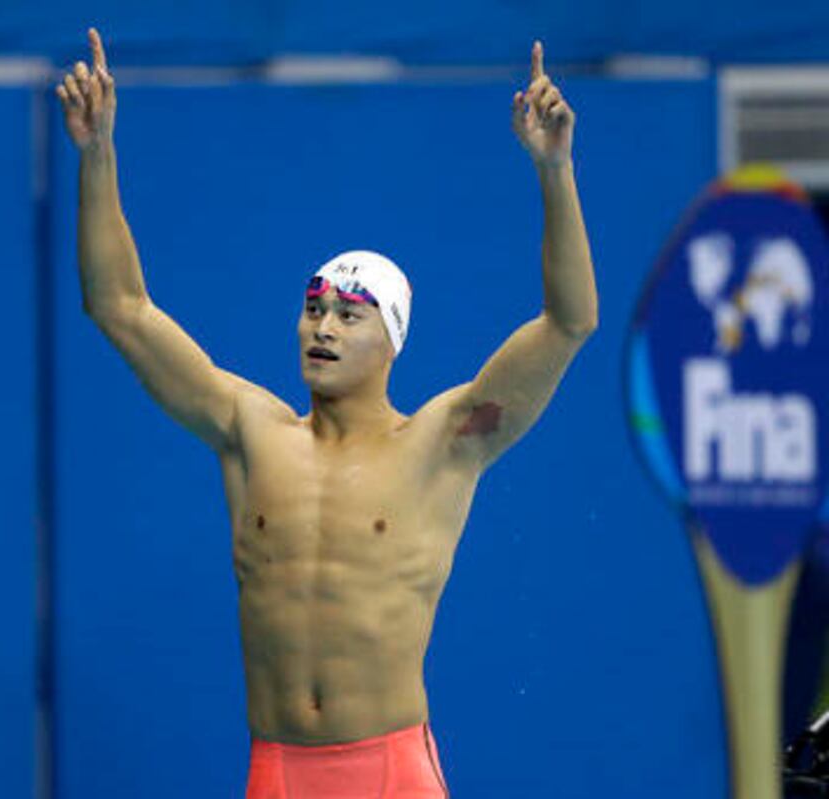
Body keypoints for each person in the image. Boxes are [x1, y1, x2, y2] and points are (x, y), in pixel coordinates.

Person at [56, 28, 597, 799]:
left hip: (389, 772)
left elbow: (569, 321)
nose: (323, 327)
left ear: (393, 340)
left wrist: (554, 167)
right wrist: (98, 152)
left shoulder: (443, 442)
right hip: (276, 769)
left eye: (349, 315)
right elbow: (120, 307)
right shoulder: (249, 429)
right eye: (314, 309)